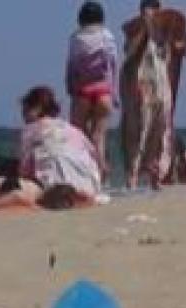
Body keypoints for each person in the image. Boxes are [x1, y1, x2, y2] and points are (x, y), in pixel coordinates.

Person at [120, 0, 186, 189]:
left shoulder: (167, 31)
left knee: (160, 132)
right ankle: (133, 175)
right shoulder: (136, 29)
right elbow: (131, 53)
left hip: (161, 87)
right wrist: (146, 27)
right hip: (141, 86)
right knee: (138, 131)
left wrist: (183, 28)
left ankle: (155, 175)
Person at [19, 86, 103, 199]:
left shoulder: (31, 130)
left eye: (25, 111)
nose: (23, 117)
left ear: (37, 108)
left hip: (56, 187)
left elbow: (24, 171)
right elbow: (94, 156)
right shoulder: (71, 128)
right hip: (90, 185)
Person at [67, 2, 118, 177]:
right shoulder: (107, 36)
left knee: (78, 137)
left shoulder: (76, 38)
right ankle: (101, 171)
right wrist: (114, 93)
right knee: (99, 137)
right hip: (103, 91)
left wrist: (70, 87)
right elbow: (112, 66)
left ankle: (81, 174)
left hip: (83, 91)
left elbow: (72, 67)